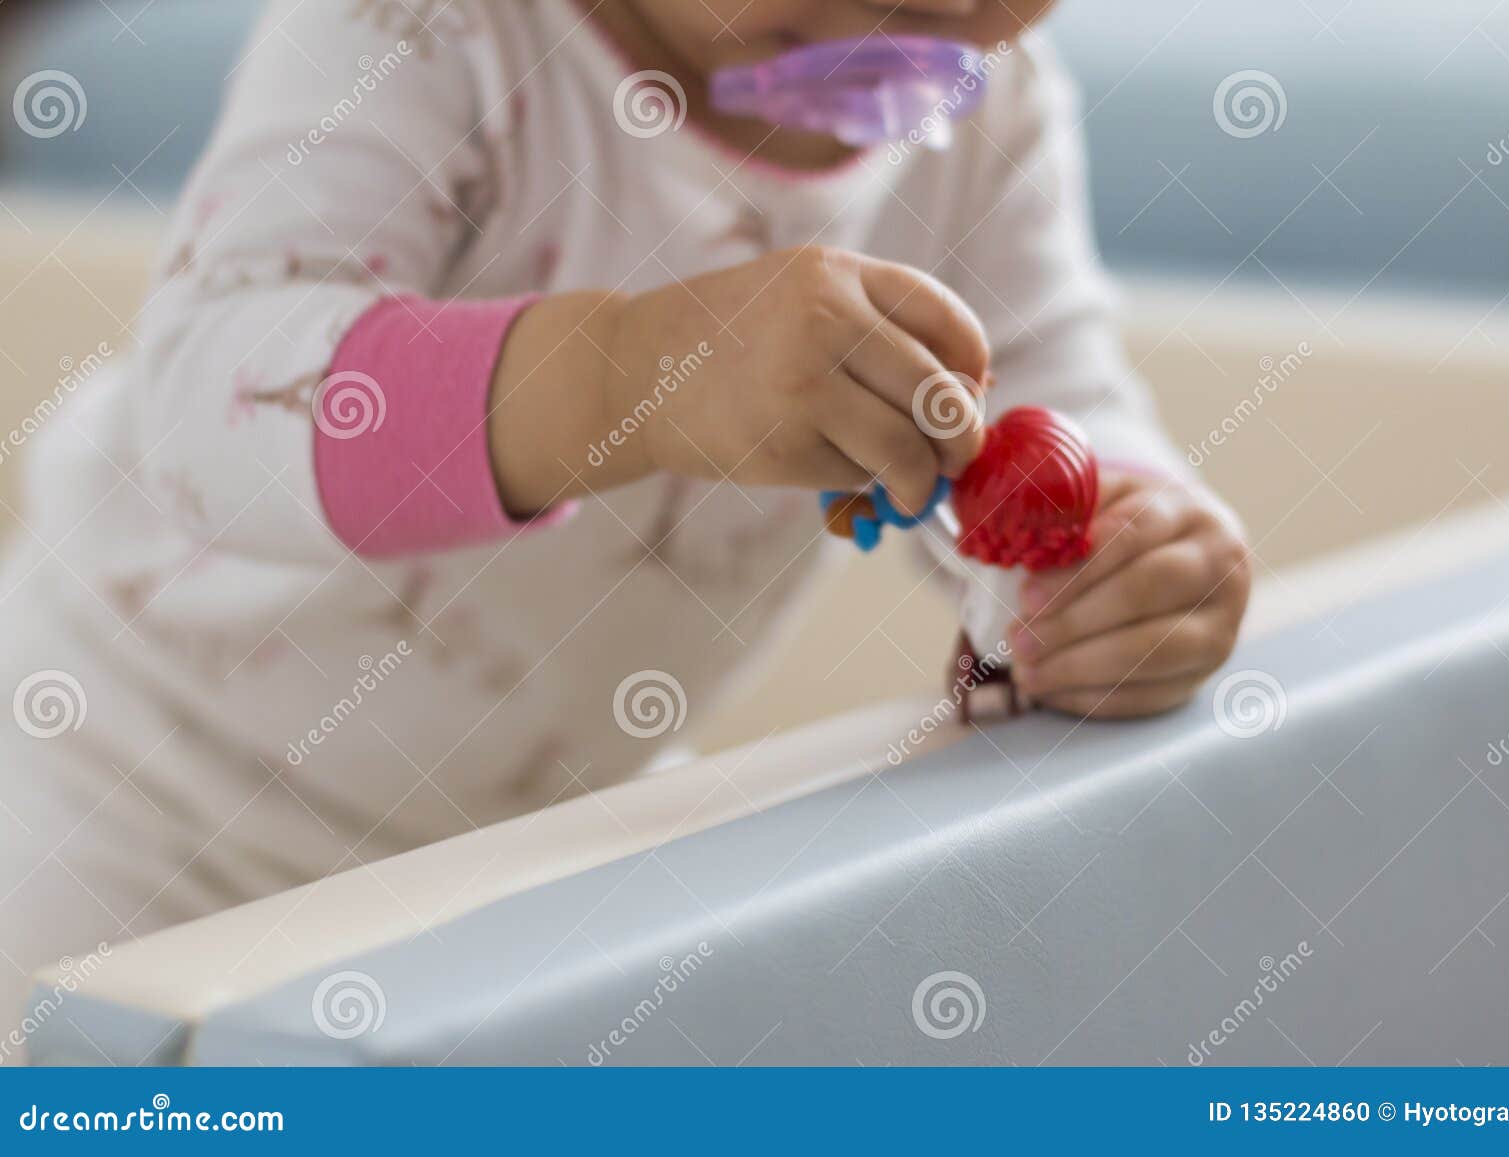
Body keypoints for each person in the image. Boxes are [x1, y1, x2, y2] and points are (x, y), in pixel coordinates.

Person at [0, 0, 1250, 1054]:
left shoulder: (979, 94)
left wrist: (1124, 537)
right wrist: (618, 375)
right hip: (127, 799)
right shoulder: (427, 29)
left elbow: (1040, 387)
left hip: (530, 851)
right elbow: (208, 396)